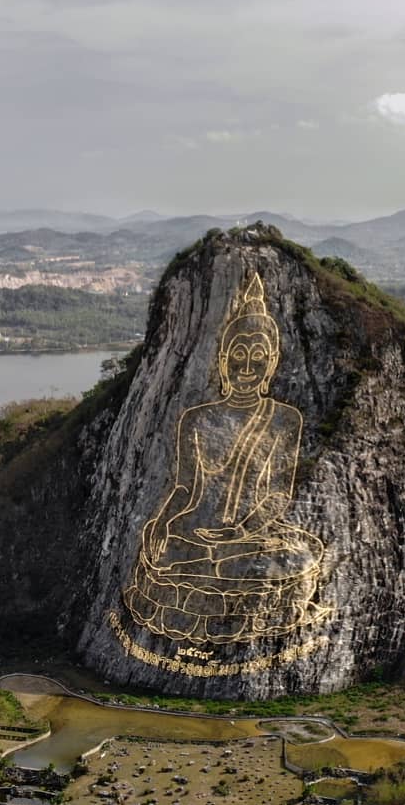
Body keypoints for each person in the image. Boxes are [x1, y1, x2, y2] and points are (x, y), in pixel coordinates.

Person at [123, 274, 326, 646]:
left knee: (287, 559)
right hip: (197, 531)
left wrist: (239, 532)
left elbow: (278, 495)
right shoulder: (196, 418)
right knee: (167, 555)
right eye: (237, 356)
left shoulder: (284, 418)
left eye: (258, 357)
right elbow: (184, 487)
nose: (246, 368)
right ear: (222, 360)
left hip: (251, 535)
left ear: (272, 364)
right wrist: (162, 522)